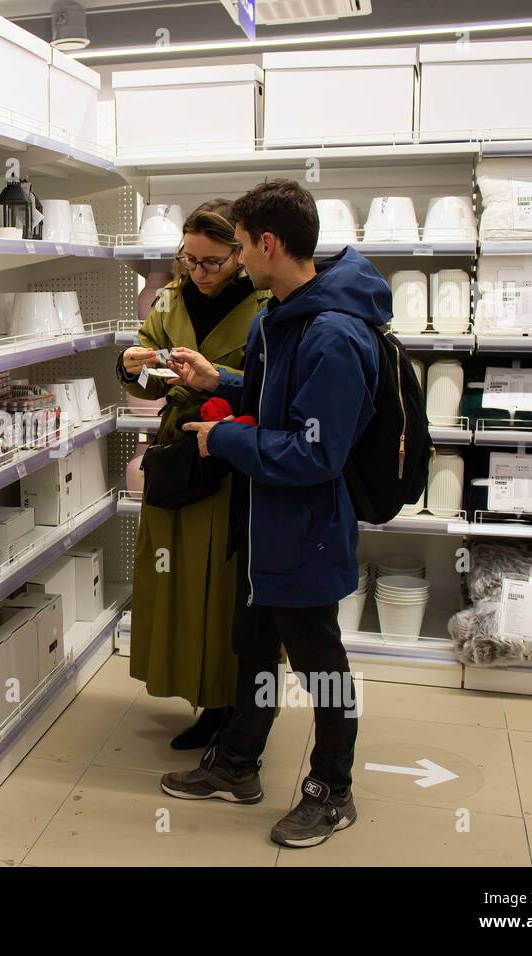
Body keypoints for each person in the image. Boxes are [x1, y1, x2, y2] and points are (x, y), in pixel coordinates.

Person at [163, 179, 388, 849]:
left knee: (321, 664)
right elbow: (275, 402)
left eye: (236, 247)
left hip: (307, 530)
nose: (232, 259)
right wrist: (220, 383)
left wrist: (223, 437)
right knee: (254, 648)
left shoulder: (336, 336)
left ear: (266, 245)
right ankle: (238, 763)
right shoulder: (280, 317)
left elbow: (314, 452)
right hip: (262, 525)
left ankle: (332, 788)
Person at [116, 200, 270, 750]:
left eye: (213, 262)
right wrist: (134, 367)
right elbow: (149, 381)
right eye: (190, 259)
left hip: (233, 458)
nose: (199, 273)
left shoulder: (266, 304)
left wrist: (217, 379)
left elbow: (273, 385)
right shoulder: (171, 299)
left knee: (227, 588)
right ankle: (204, 699)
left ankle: (236, 707)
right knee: (178, 582)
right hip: (177, 458)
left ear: (241, 255)